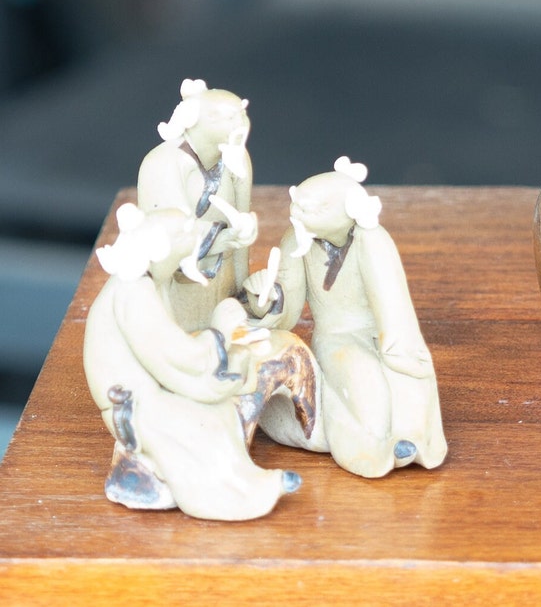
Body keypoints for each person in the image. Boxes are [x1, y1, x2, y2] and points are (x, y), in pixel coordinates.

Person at [83, 203, 301, 521]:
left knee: (220, 411)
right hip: (133, 404)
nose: (197, 234)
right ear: (161, 248)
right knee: (197, 426)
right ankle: (230, 494)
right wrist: (220, 332)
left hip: (152, 389)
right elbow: (175, 356)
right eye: (186, 233)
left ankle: (246, 480)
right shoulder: (134, 293)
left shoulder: (150, 282)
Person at [248, 157, 447, 477]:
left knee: (404, 371)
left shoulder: (372, 239)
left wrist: (397, 348)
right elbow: (288, 306)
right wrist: (266, 297)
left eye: (312, 208)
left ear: (349, 210)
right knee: (364, 375)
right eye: (297, 204)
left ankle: (412, 440)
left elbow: (392, 301)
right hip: (336, 336)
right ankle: (369, 447)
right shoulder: (295, 241)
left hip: (383, 331)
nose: (297, 213)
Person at [137, 79, 253, 331]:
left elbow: (241, 228)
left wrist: (243, 291)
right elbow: (172, 235)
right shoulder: (163, 162)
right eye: (228, 118)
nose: (240, 124)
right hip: (178, 290)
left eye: (241, 115)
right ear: (195, 120)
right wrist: (224, 238)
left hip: (223, 283)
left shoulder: (237, 156)